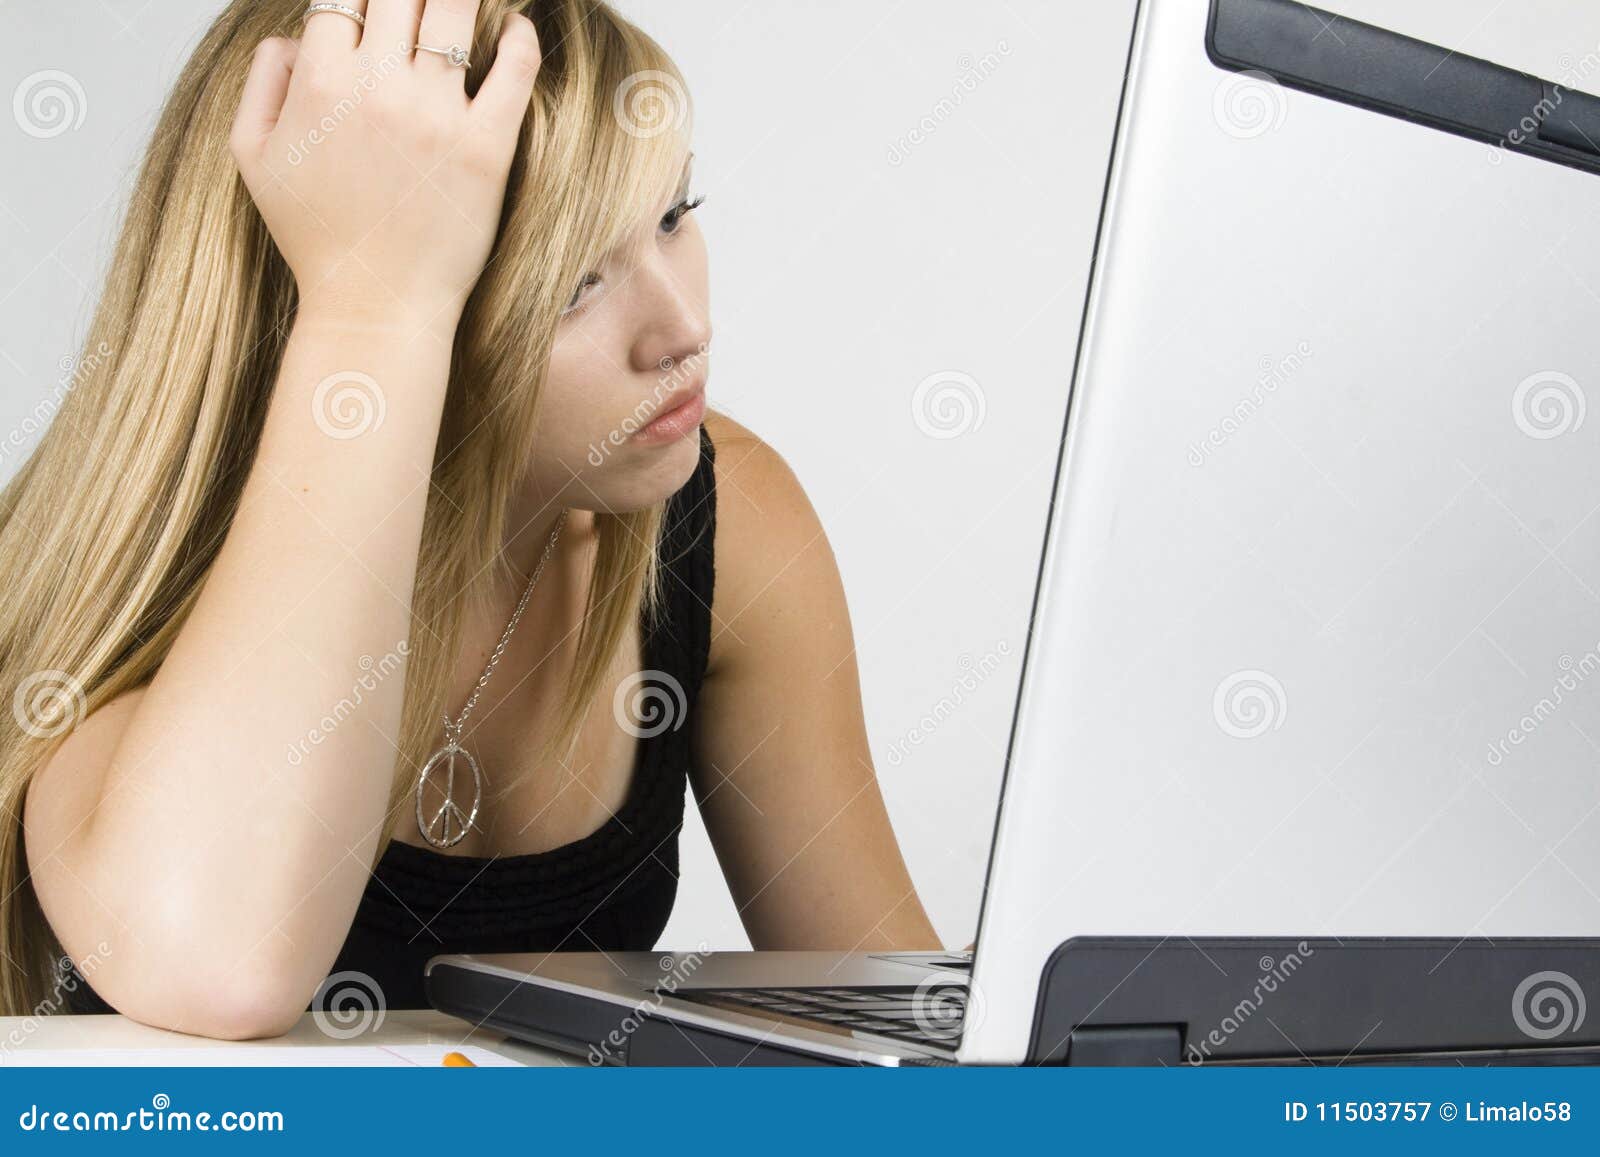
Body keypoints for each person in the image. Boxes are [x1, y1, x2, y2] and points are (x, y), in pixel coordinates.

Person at [2, 0, 939, 1038]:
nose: (685, 329)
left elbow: (912, 1036)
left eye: (676, 214)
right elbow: (220, 967)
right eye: (574, 285)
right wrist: (369, 304)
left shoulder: (729, 522)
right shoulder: (135, 610)